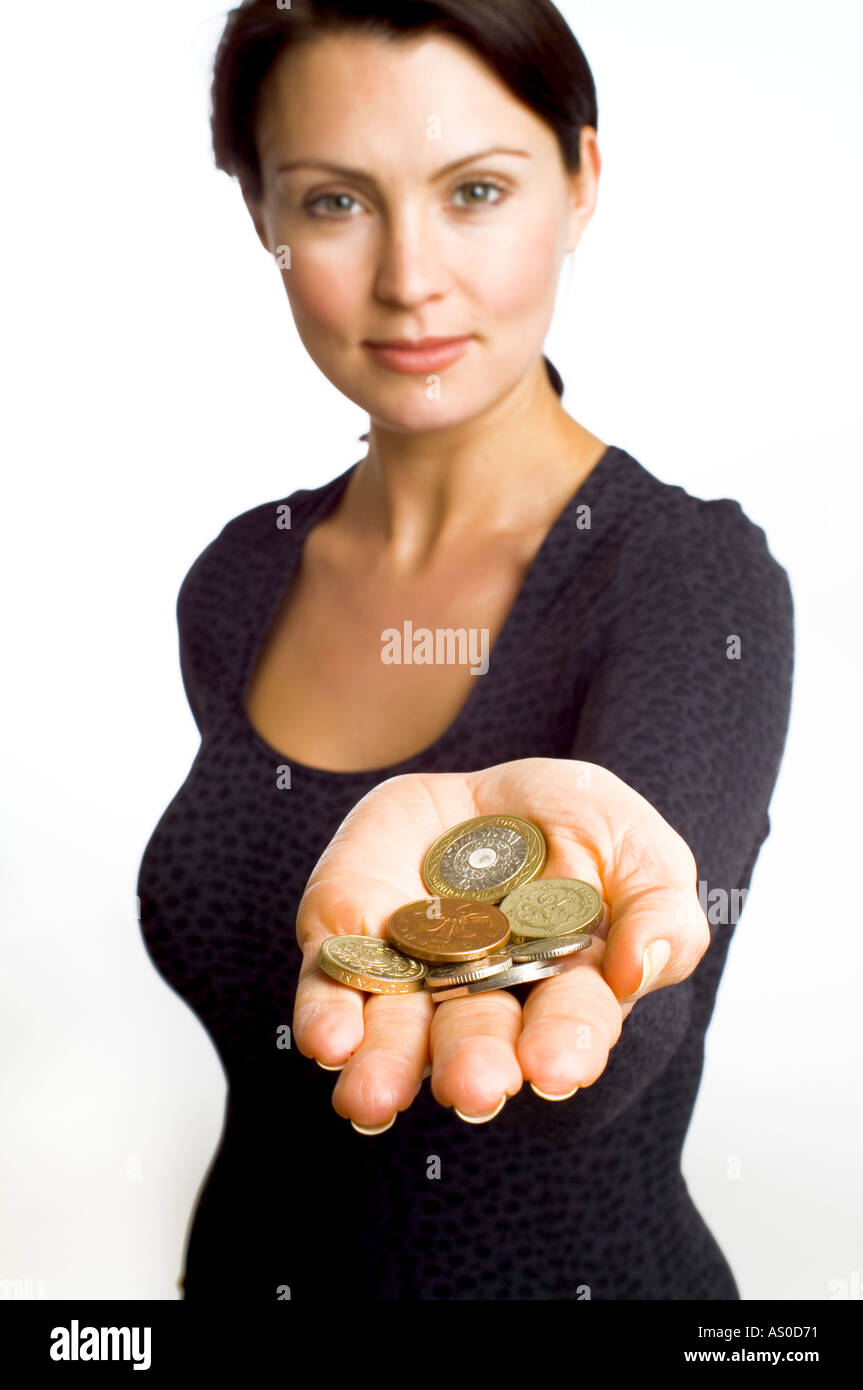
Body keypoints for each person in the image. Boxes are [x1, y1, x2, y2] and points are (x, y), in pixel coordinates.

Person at [136, 0, 794, 1301]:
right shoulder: (240, 576)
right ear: (260, 214)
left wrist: (548, 930)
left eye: (475, 189)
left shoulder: (683, 577)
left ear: (580, 179)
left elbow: (602, 1054)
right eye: (333, 203)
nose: (409, 278)